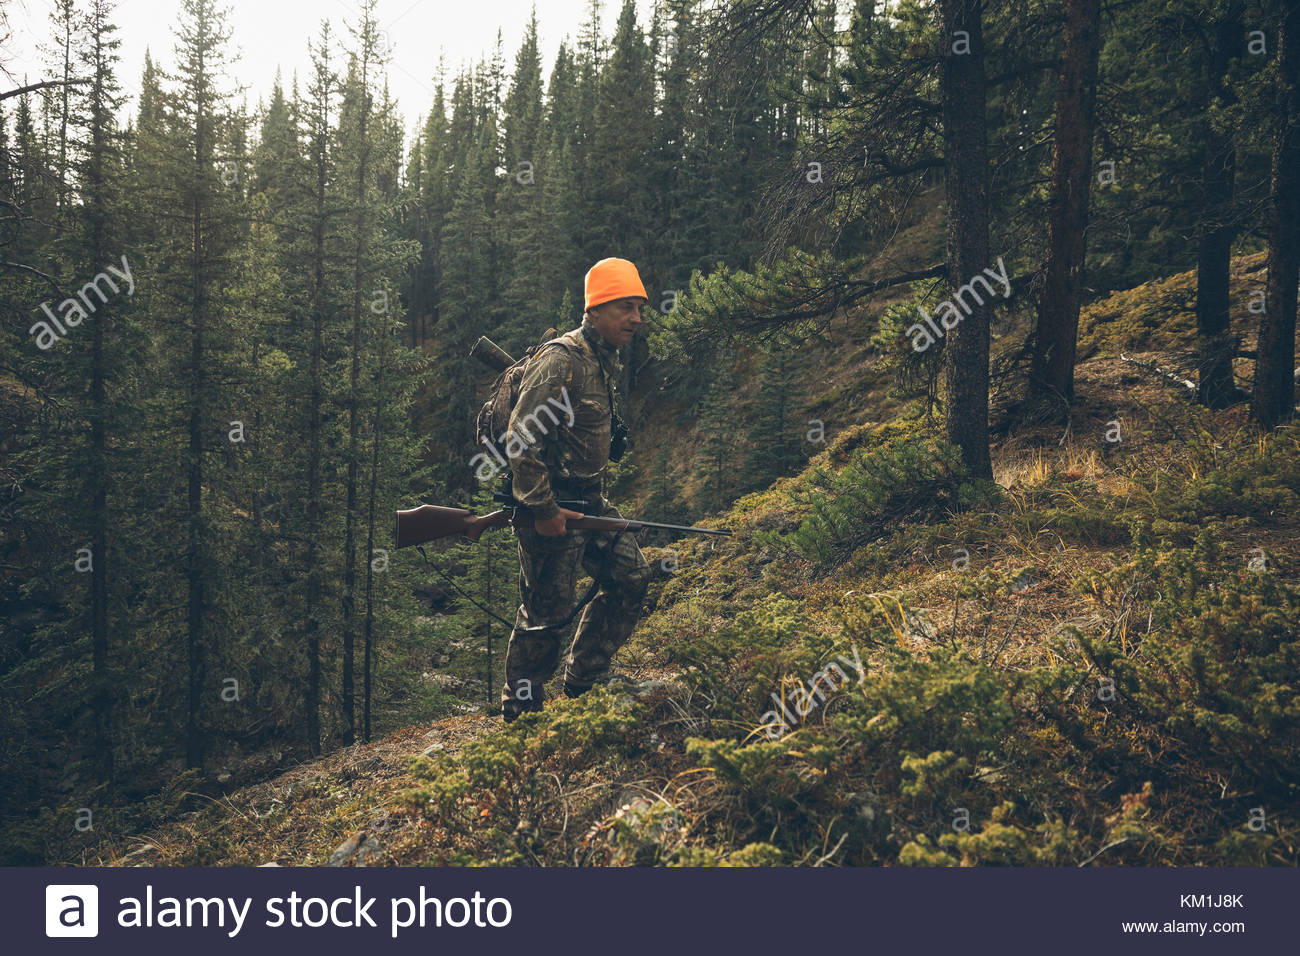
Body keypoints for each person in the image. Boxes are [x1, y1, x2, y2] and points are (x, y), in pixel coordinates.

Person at [499, 258, 653, 723]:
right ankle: (521, 712)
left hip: (589, 503)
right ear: (597, 309)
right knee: (546, 614)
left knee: (630, 578)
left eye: (640, 309)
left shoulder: (603, 357)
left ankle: (585, 678)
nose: (636, 319)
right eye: (625, 308)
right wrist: (543, 510)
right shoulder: (561, 361)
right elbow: (520, 439)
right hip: (549, 507)